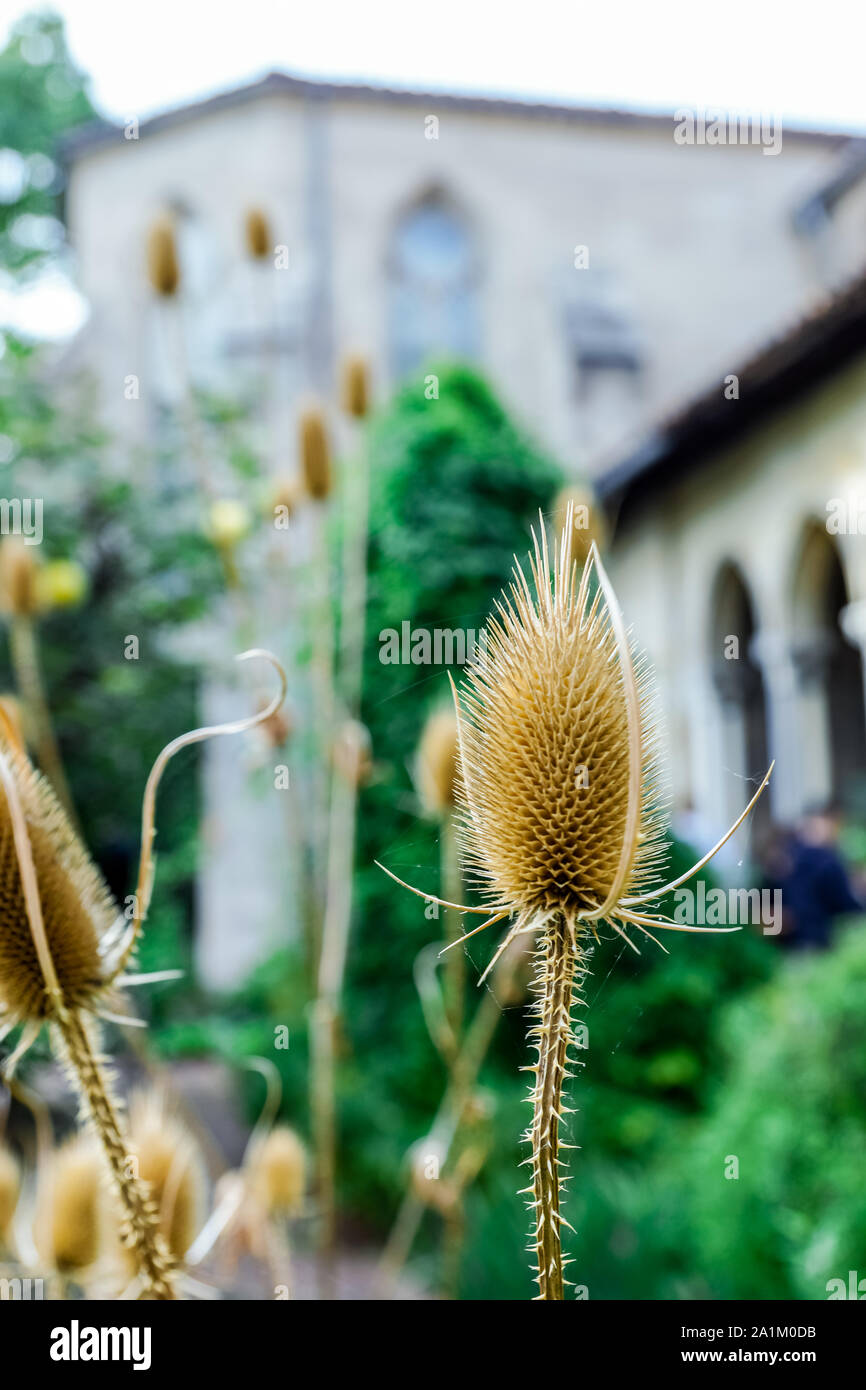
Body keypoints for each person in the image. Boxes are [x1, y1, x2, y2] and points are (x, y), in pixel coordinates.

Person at [774, 804, 862, 951]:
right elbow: (845, 903)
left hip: (789, 939)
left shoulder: (786, 859)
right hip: (821, 937)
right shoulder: (828, 861)